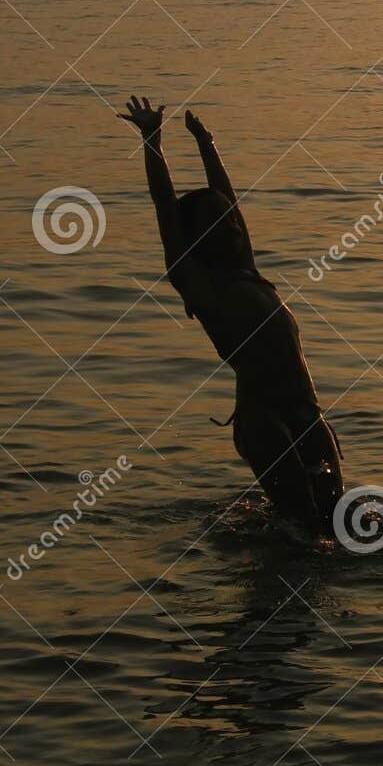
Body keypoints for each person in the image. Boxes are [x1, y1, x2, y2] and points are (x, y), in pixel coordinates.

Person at [119, 96, 342, 530]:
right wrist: (152, 141)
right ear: (196, 239)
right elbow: (165, 207)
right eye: (219, 223)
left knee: (333, 523)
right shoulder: (198, 282)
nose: (233, 224)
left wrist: (207, 144)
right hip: (263, 418)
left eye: (233, 221)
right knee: (302, 528)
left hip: (306, 412)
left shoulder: (248, 273)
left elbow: (229, 198)